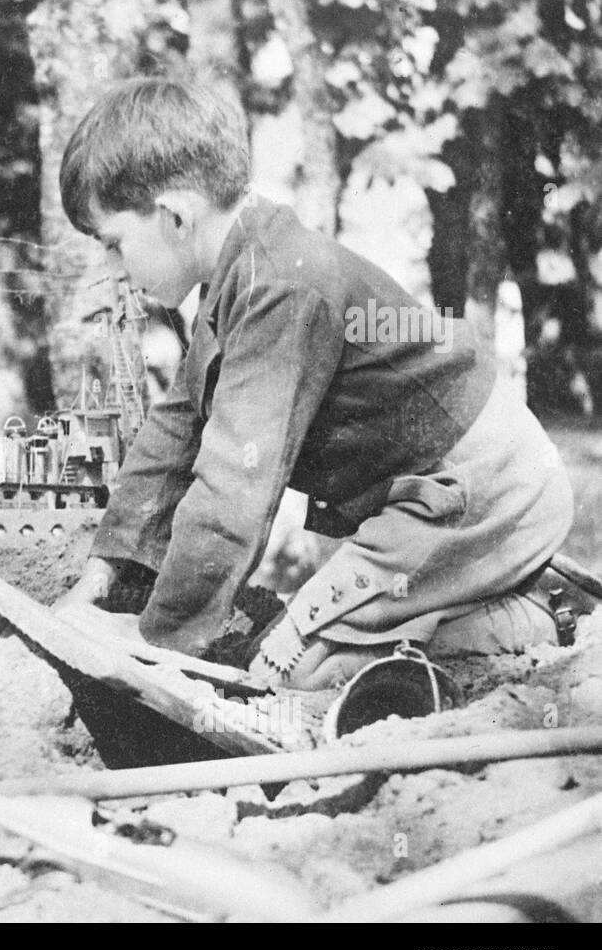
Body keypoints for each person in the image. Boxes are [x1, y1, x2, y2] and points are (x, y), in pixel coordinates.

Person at [53, 75, 574, 689]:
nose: (115, 270)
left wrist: (154, 641)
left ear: (173, 216)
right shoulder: (239, 274)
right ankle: (461, 595)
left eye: (115, 245)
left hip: (483, 493)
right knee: (295, 657)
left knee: (297, 676)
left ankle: (529, 621)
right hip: (445, 492)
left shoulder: (278, 287)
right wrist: (104, 574)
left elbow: (231, 490)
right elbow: (175, 430)